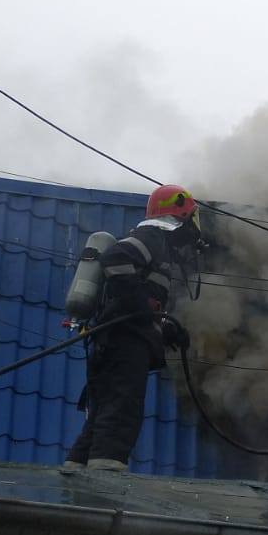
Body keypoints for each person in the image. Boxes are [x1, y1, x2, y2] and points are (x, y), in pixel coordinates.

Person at [65, 184, 202, 471]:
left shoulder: (158, 247)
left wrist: (165, 328)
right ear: (179, 215)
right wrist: (141, 308)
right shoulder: (151, 237)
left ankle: (74, 476)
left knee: (103, 413)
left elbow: (142, 302)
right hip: (125, 341)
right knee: (121, 411)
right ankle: (103, 487)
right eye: (191, 217)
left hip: (114, 339)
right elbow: (116, 259)